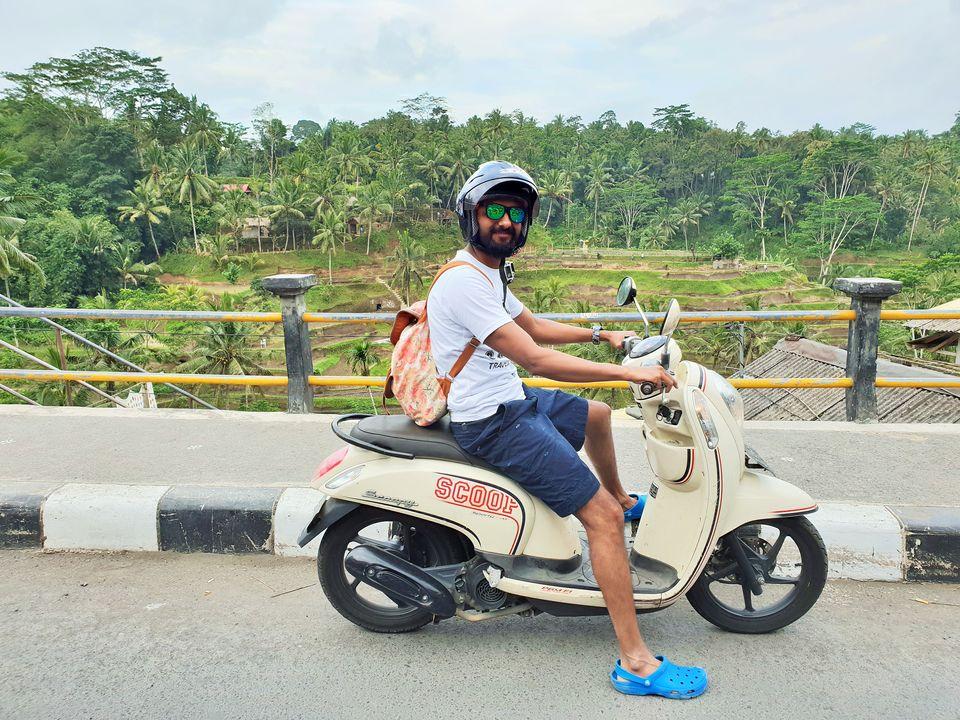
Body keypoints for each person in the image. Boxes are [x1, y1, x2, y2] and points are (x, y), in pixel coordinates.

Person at [427, 161, 707, 698]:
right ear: (471, 215)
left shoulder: (489, 275)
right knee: (597, 518)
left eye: (516, 213)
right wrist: (628, 371)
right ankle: (636, 662)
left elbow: (533, 326)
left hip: (509, 400)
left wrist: (600, 333)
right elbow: (537, 357)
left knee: (598, 416)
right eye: (495, 210)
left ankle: (625, 499)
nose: (506, 222)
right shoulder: (464, 282)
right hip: (493, 422)